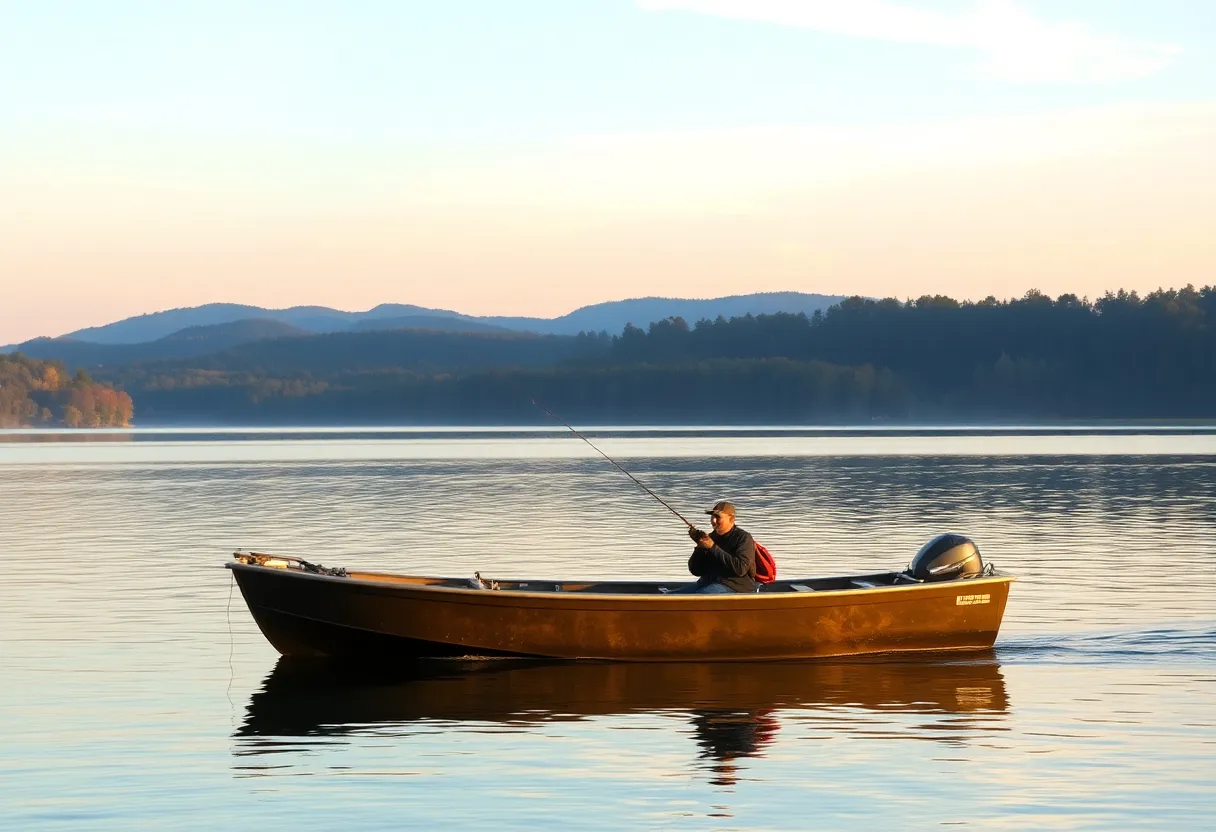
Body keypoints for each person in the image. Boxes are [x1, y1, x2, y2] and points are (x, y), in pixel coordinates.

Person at [673, 501, 757, 594]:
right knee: (670, 596)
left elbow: (740, 569)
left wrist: (712, 547)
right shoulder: (710, 537)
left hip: (733, 587)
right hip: (706, 583)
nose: (713, 520)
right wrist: (699, 546)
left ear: (731, 519)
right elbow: (696, 570)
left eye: (718, 517)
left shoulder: (743, 538)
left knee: (700, 596)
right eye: (712, 516)